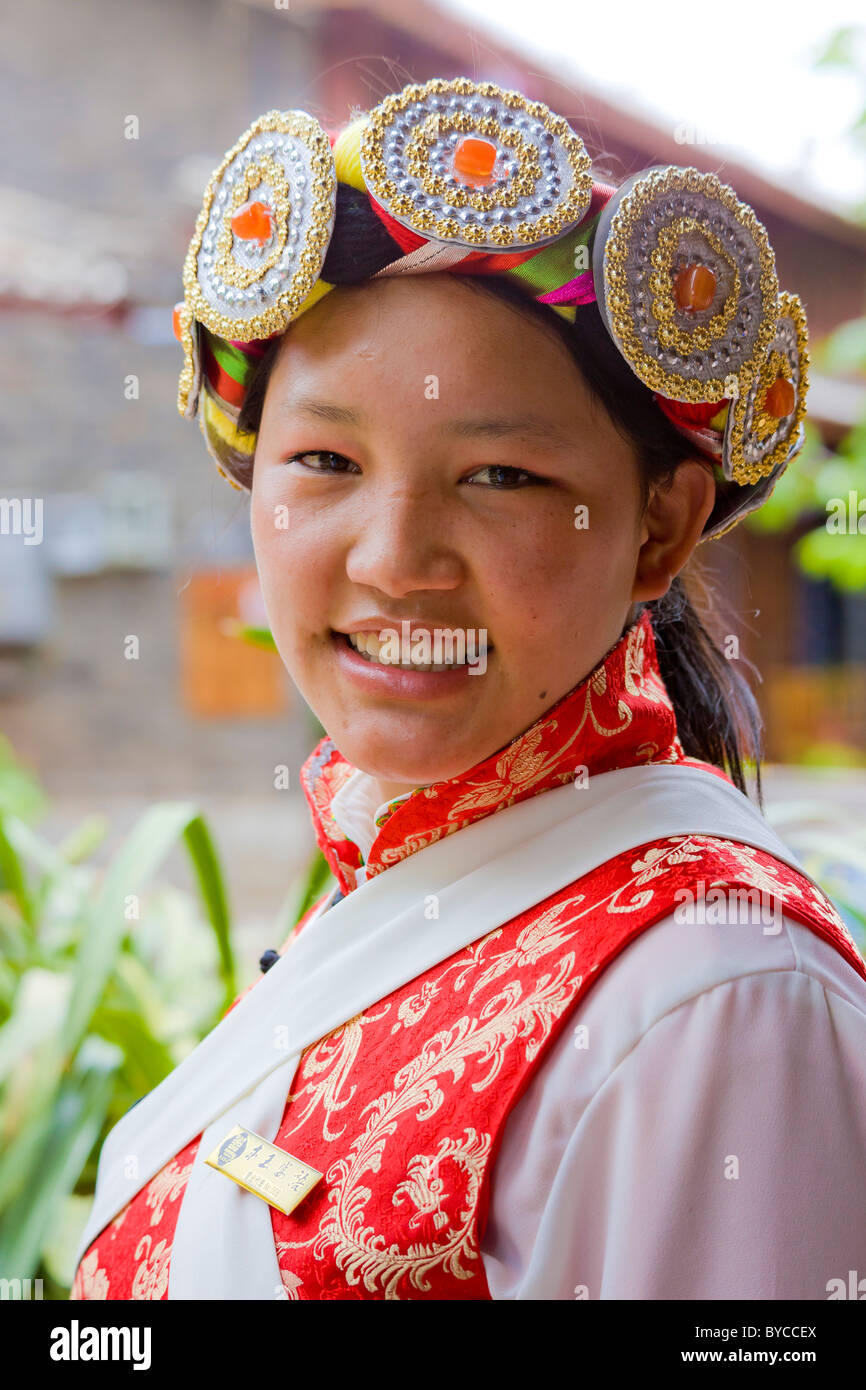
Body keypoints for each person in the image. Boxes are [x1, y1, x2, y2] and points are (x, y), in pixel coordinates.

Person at [71, 77, 866, 1301]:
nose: (394, 560)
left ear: (658, 528)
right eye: (324, 460)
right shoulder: (384, 898)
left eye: (498, 475)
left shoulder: (721, 1001)